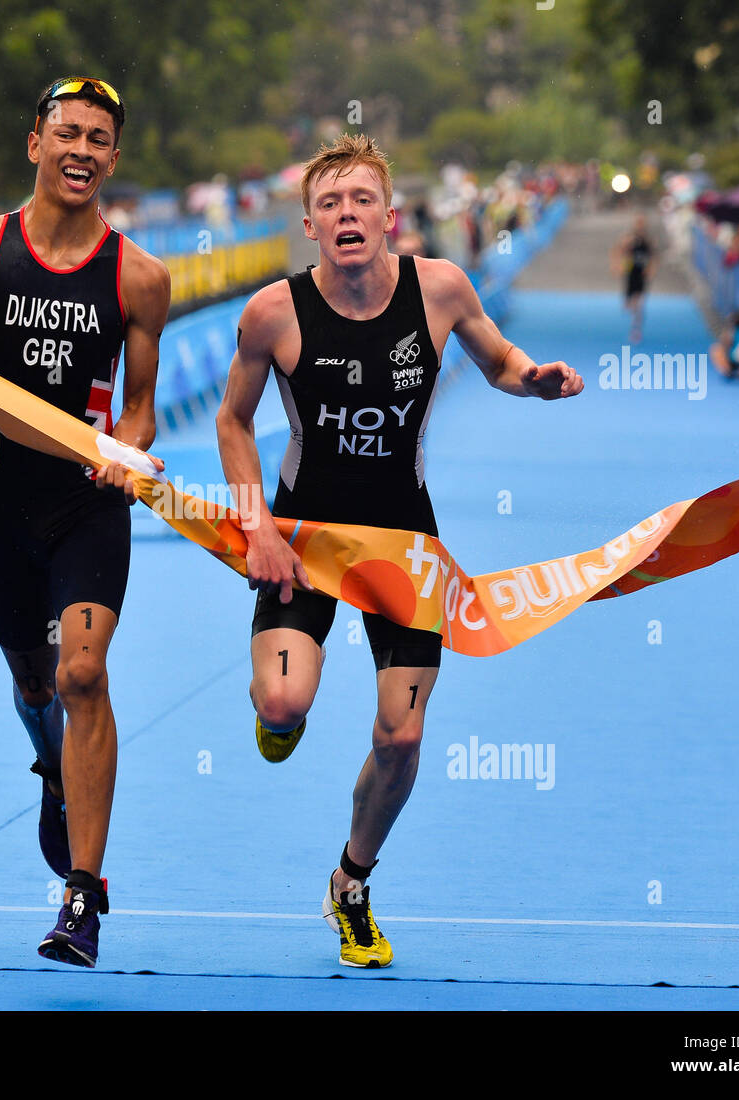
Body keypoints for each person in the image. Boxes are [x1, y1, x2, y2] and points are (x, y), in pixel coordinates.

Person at [215, 134, 582, 969]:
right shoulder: (272, 312)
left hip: (406, 547)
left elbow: (497, 360)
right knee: (282, 706)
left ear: (390, 216)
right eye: (331, 204)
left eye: (361, 200)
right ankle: (280, 711)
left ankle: (351, 882)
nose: (348, 214)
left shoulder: (441, 288)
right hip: (302, 539)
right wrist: (257, 526)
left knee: (402, 738)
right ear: (311, 225)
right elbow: (232, 422)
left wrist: (535, 379)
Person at [0, 76, 170, 968]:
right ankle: (52, 766)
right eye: (68, 133)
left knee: (84, 675)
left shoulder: (140, 276)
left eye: (99, 138)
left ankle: (82, 899)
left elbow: (141, 413)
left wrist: (126, 455)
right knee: (36, 687)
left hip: (88, 507)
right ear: (35, 144)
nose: (82, 150)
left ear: (115, 158)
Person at [612, 214, 656, 342]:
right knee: (628, 305)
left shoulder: (648, 241)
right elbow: (617, 250)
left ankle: (636, 329)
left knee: (639, 302)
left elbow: (653, 256)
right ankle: (632, 309)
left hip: (641, 274)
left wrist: (651, 268)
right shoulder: (629, 239)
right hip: (630, 273)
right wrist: (617, 265)